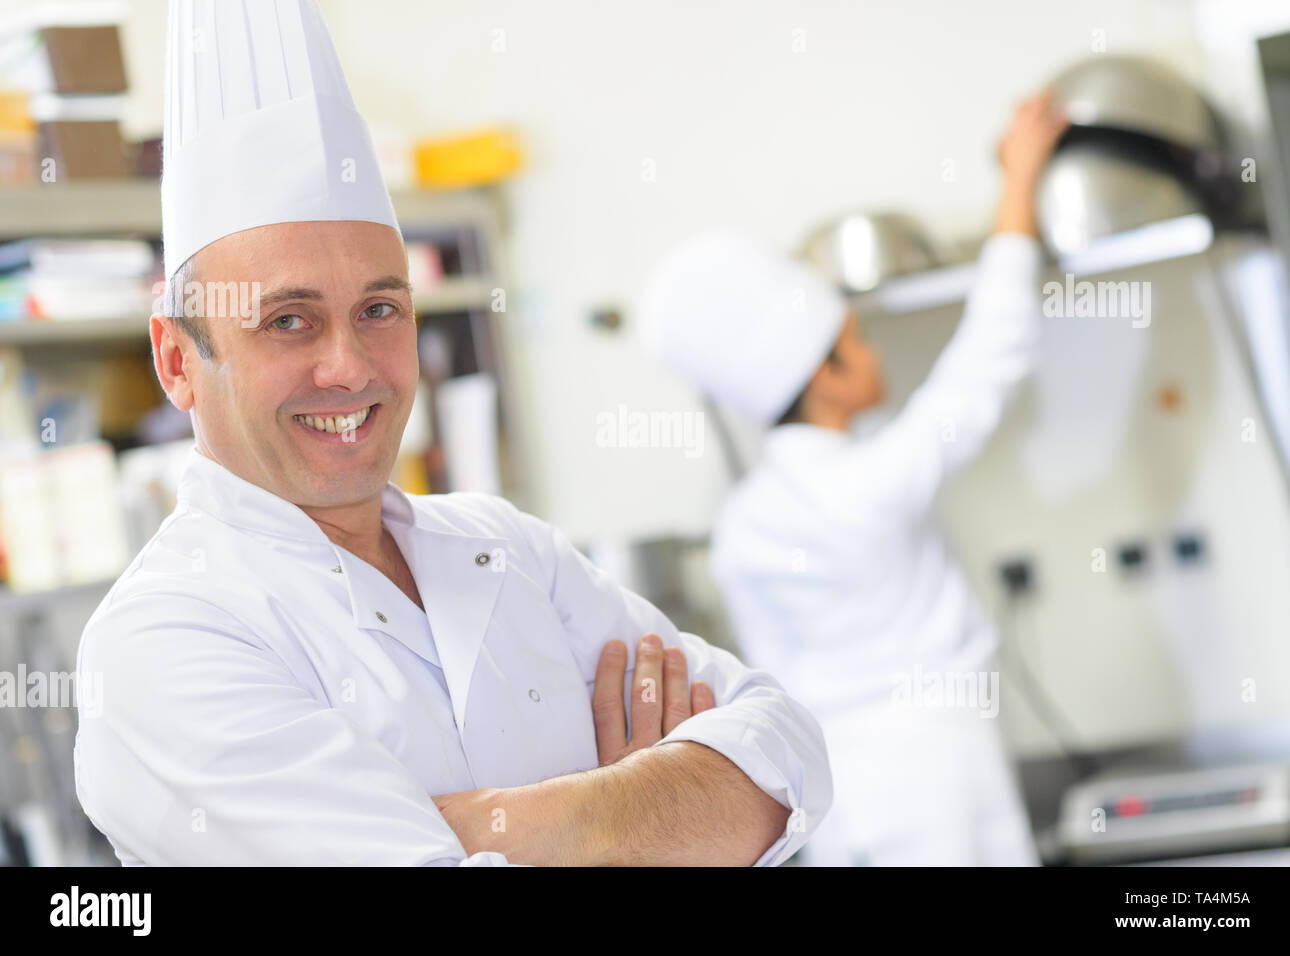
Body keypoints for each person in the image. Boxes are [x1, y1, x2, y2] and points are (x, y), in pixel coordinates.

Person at [72, 0, 831, 867]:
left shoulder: (506, 549)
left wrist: (511, 824)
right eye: (288, 321)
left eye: (380, 308)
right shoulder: (164, 641)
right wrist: (651, 804)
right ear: (176, 359)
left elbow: (789, 757)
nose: (349, 367)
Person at [636, 93, 1069, 865]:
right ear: (827, 378)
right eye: (856, 341)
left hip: (830, 801)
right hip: (940, 780)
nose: (874, 354)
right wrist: (1020, 179)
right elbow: (995, 353)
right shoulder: (869, 485)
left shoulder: (742, 527)